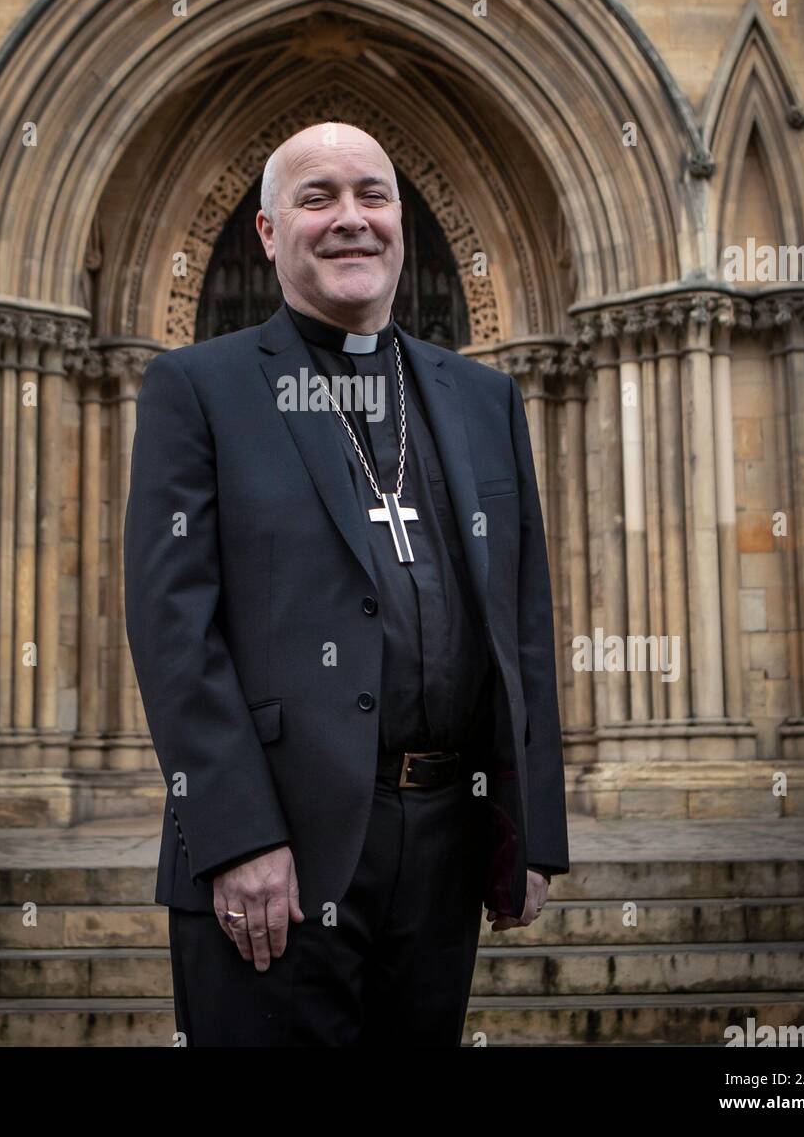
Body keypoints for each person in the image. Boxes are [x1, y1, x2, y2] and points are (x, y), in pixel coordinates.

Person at [124, 121, 569, 1046]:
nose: (351, 220)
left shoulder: (482, 397)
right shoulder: (199, 388)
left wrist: (531, 826)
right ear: (268, 233)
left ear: (401, 219)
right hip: (279, 847)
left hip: (444, 839)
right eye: (316, 198)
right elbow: (175, 631)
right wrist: (239, 835)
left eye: (373, 195)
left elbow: (521, 622)